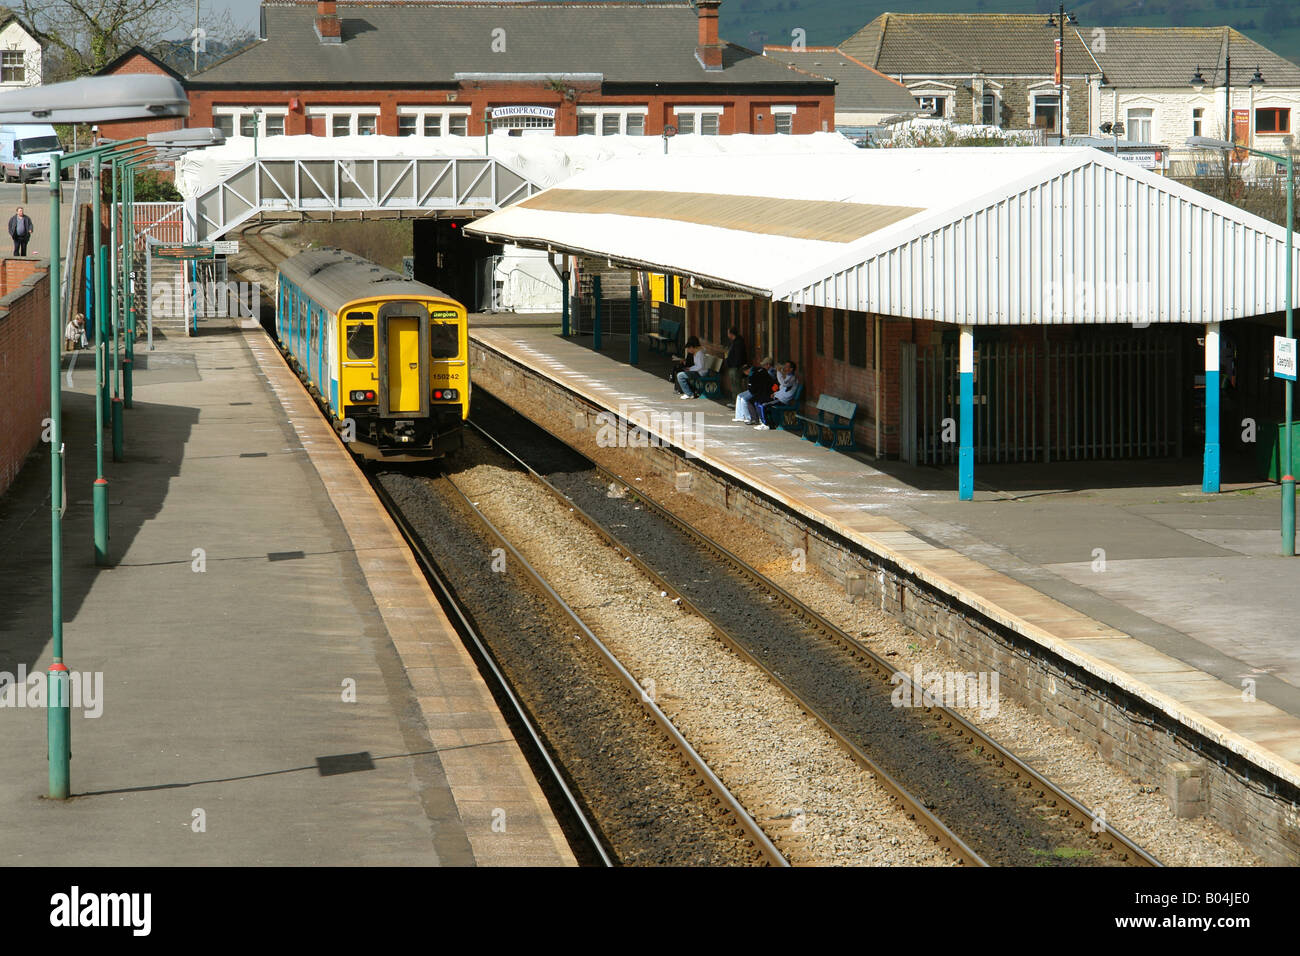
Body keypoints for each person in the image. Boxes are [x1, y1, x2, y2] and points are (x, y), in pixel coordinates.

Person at [755, 360, 799, 430]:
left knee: (764, 405)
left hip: (782, 400)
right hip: (778, 397)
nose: (784, 368)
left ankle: (766, 424)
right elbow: (783, 389)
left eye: (787, 367)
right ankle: (764, 422)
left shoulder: (793, 378)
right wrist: (775, 393)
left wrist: (778, 372)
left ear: (791, 369)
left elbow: (784, 383)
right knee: (757, 402)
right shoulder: (787, 376)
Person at [733, 356, 774, 424]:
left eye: (764, 365)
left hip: (763, 391)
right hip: (758, 390)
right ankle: (740, 416)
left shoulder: (770, 372)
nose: (762, 366)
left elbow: (768, 383)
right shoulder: (762, 371)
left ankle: (749, 418)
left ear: (768, 365)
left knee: (745, 399)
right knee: (739, 396)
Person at [723, 326, 747, 397]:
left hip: (735, 367)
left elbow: (738, 356)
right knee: (734, 385)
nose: (727, 335)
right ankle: (735, 401)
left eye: (728, 333)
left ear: (731, 334)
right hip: (733, 366)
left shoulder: (738, 343)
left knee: (737, 385)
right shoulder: (734, 342)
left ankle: (739, 401)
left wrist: (735, 365)